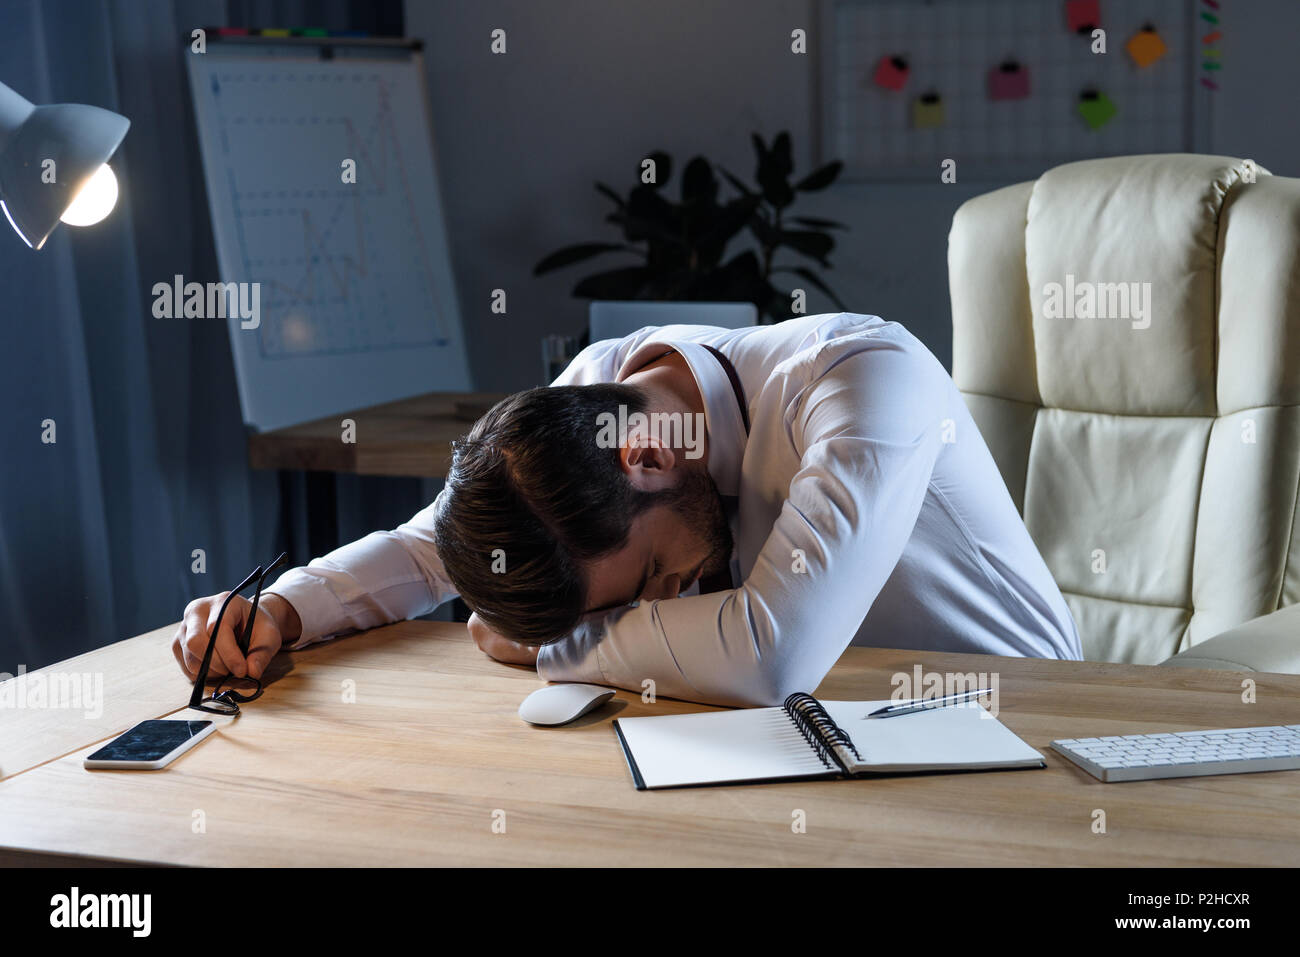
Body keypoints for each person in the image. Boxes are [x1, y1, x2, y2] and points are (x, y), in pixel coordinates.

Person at [173, 312, 1080, 707]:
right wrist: (282, 609)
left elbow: (770, 655)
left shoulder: (861, 379)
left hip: (1015, 709)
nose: (667, 601)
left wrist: (543, 645)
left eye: (646, 583)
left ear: (648, 456)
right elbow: (429, 553)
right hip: (811, 723)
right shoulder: (590, 399)